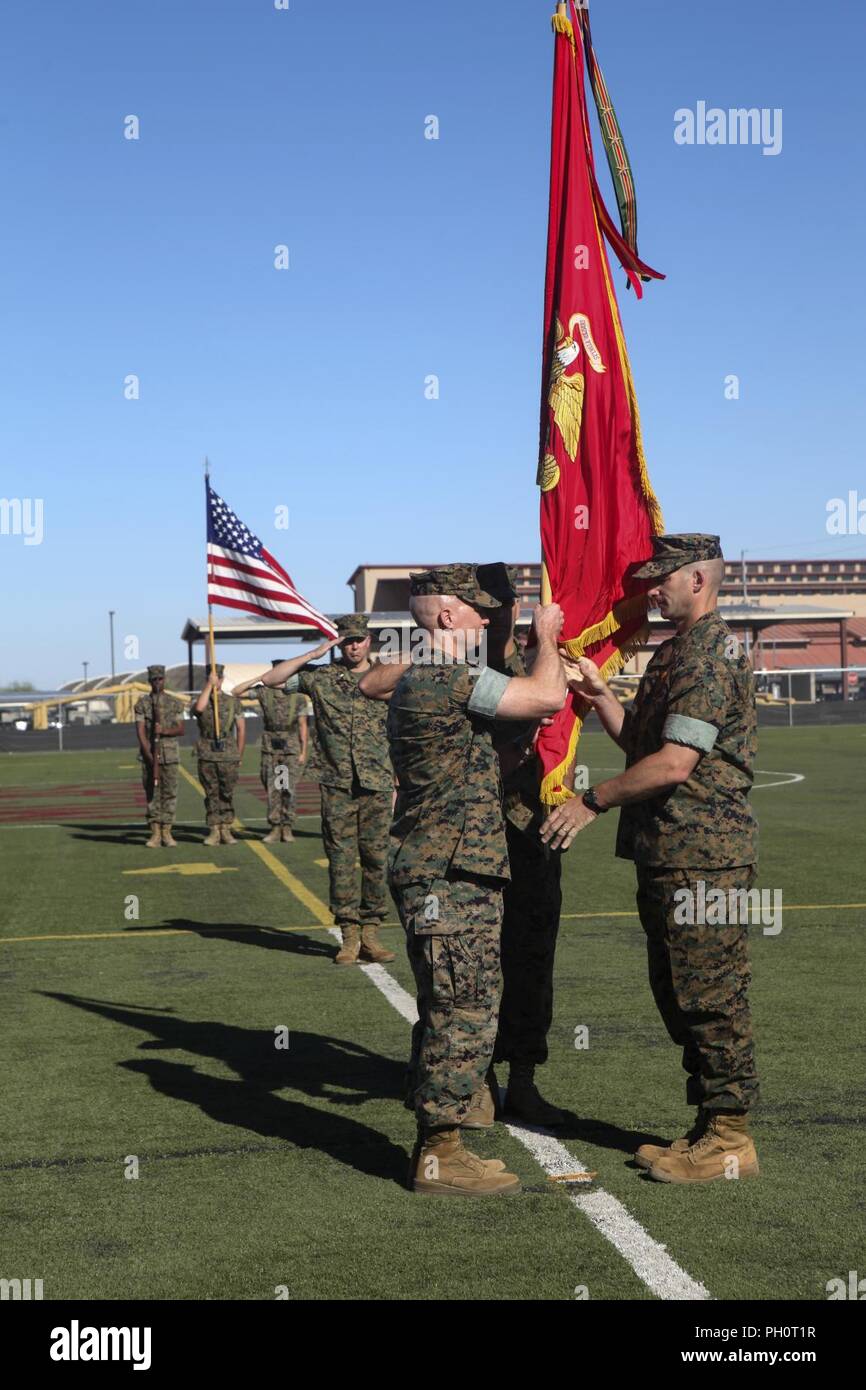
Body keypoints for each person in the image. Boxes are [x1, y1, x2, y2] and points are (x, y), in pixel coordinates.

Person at [541, 534, 760, 1184]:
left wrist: (592, 801)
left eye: (660, 579)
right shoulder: (677, 652)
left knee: (711, 997)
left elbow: (674, 764)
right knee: (679, 993)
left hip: (705, 857)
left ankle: (730, 1138)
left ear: (698, 578)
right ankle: (707, 1126)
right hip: (670, 853)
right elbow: (642, 742)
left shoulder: (712, 653)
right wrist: (599, 693)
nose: (650, 591)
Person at [361, 564, 568, 1129]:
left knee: (519, 961)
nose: (497, 612)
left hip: (516, 834)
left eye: (503, 603)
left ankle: (516, 1077)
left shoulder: (490, 662)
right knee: (459, 981)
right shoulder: (447, 670)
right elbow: (371, 682)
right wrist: (440, 643)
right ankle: (461, 1100)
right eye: (485, 604)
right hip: (457, 850)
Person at [259, 617, 395, 966]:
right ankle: (348, 933)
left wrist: (398, 781)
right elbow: (271, 680)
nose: (354, 647)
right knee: (341, 860)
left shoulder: (387, 676)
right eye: (347, 641)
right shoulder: (321, 677)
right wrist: (315, 653)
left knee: (377, 859)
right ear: (339, 642)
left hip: (377, 780)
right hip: (337, 783)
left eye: (360, 640)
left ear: (370, 641)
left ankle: (371, 932)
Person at [233, 660, 308, 844]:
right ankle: (275, 827)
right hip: (271, 748)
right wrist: (260, 678)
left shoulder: (297, 695)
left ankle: (287, 826)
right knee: (273, 787)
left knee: (288, 788)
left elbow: (302, 724)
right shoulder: (264, 692)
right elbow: (236, 692)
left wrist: (303, 751)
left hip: (290, 748)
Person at [191, 664, 246, 847]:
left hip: (228, 753)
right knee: (211, 793)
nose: (217, 681)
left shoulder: (233, 702)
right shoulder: (202, 699)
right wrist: (208, 686)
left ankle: (226, 828)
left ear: (223, 679)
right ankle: (214, 829)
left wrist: (239, 754)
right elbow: (199, 709)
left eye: (219, 678)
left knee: (227, 792)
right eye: (214, 678)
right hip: (207, 752)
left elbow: (241, 729)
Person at [134, 664, 186, 848]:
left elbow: (181, 729)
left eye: (160, 679)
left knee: (170, 793)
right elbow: (140, 731)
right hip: (150, 755)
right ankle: (155, 832)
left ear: (164, 679)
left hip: (170, 755)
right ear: (149, 681)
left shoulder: (175, 703)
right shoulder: (142, 704)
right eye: (154, 679)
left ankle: (167, 831)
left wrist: (164, 730)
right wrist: (147, 753)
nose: (157, 682)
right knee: (152, 793)